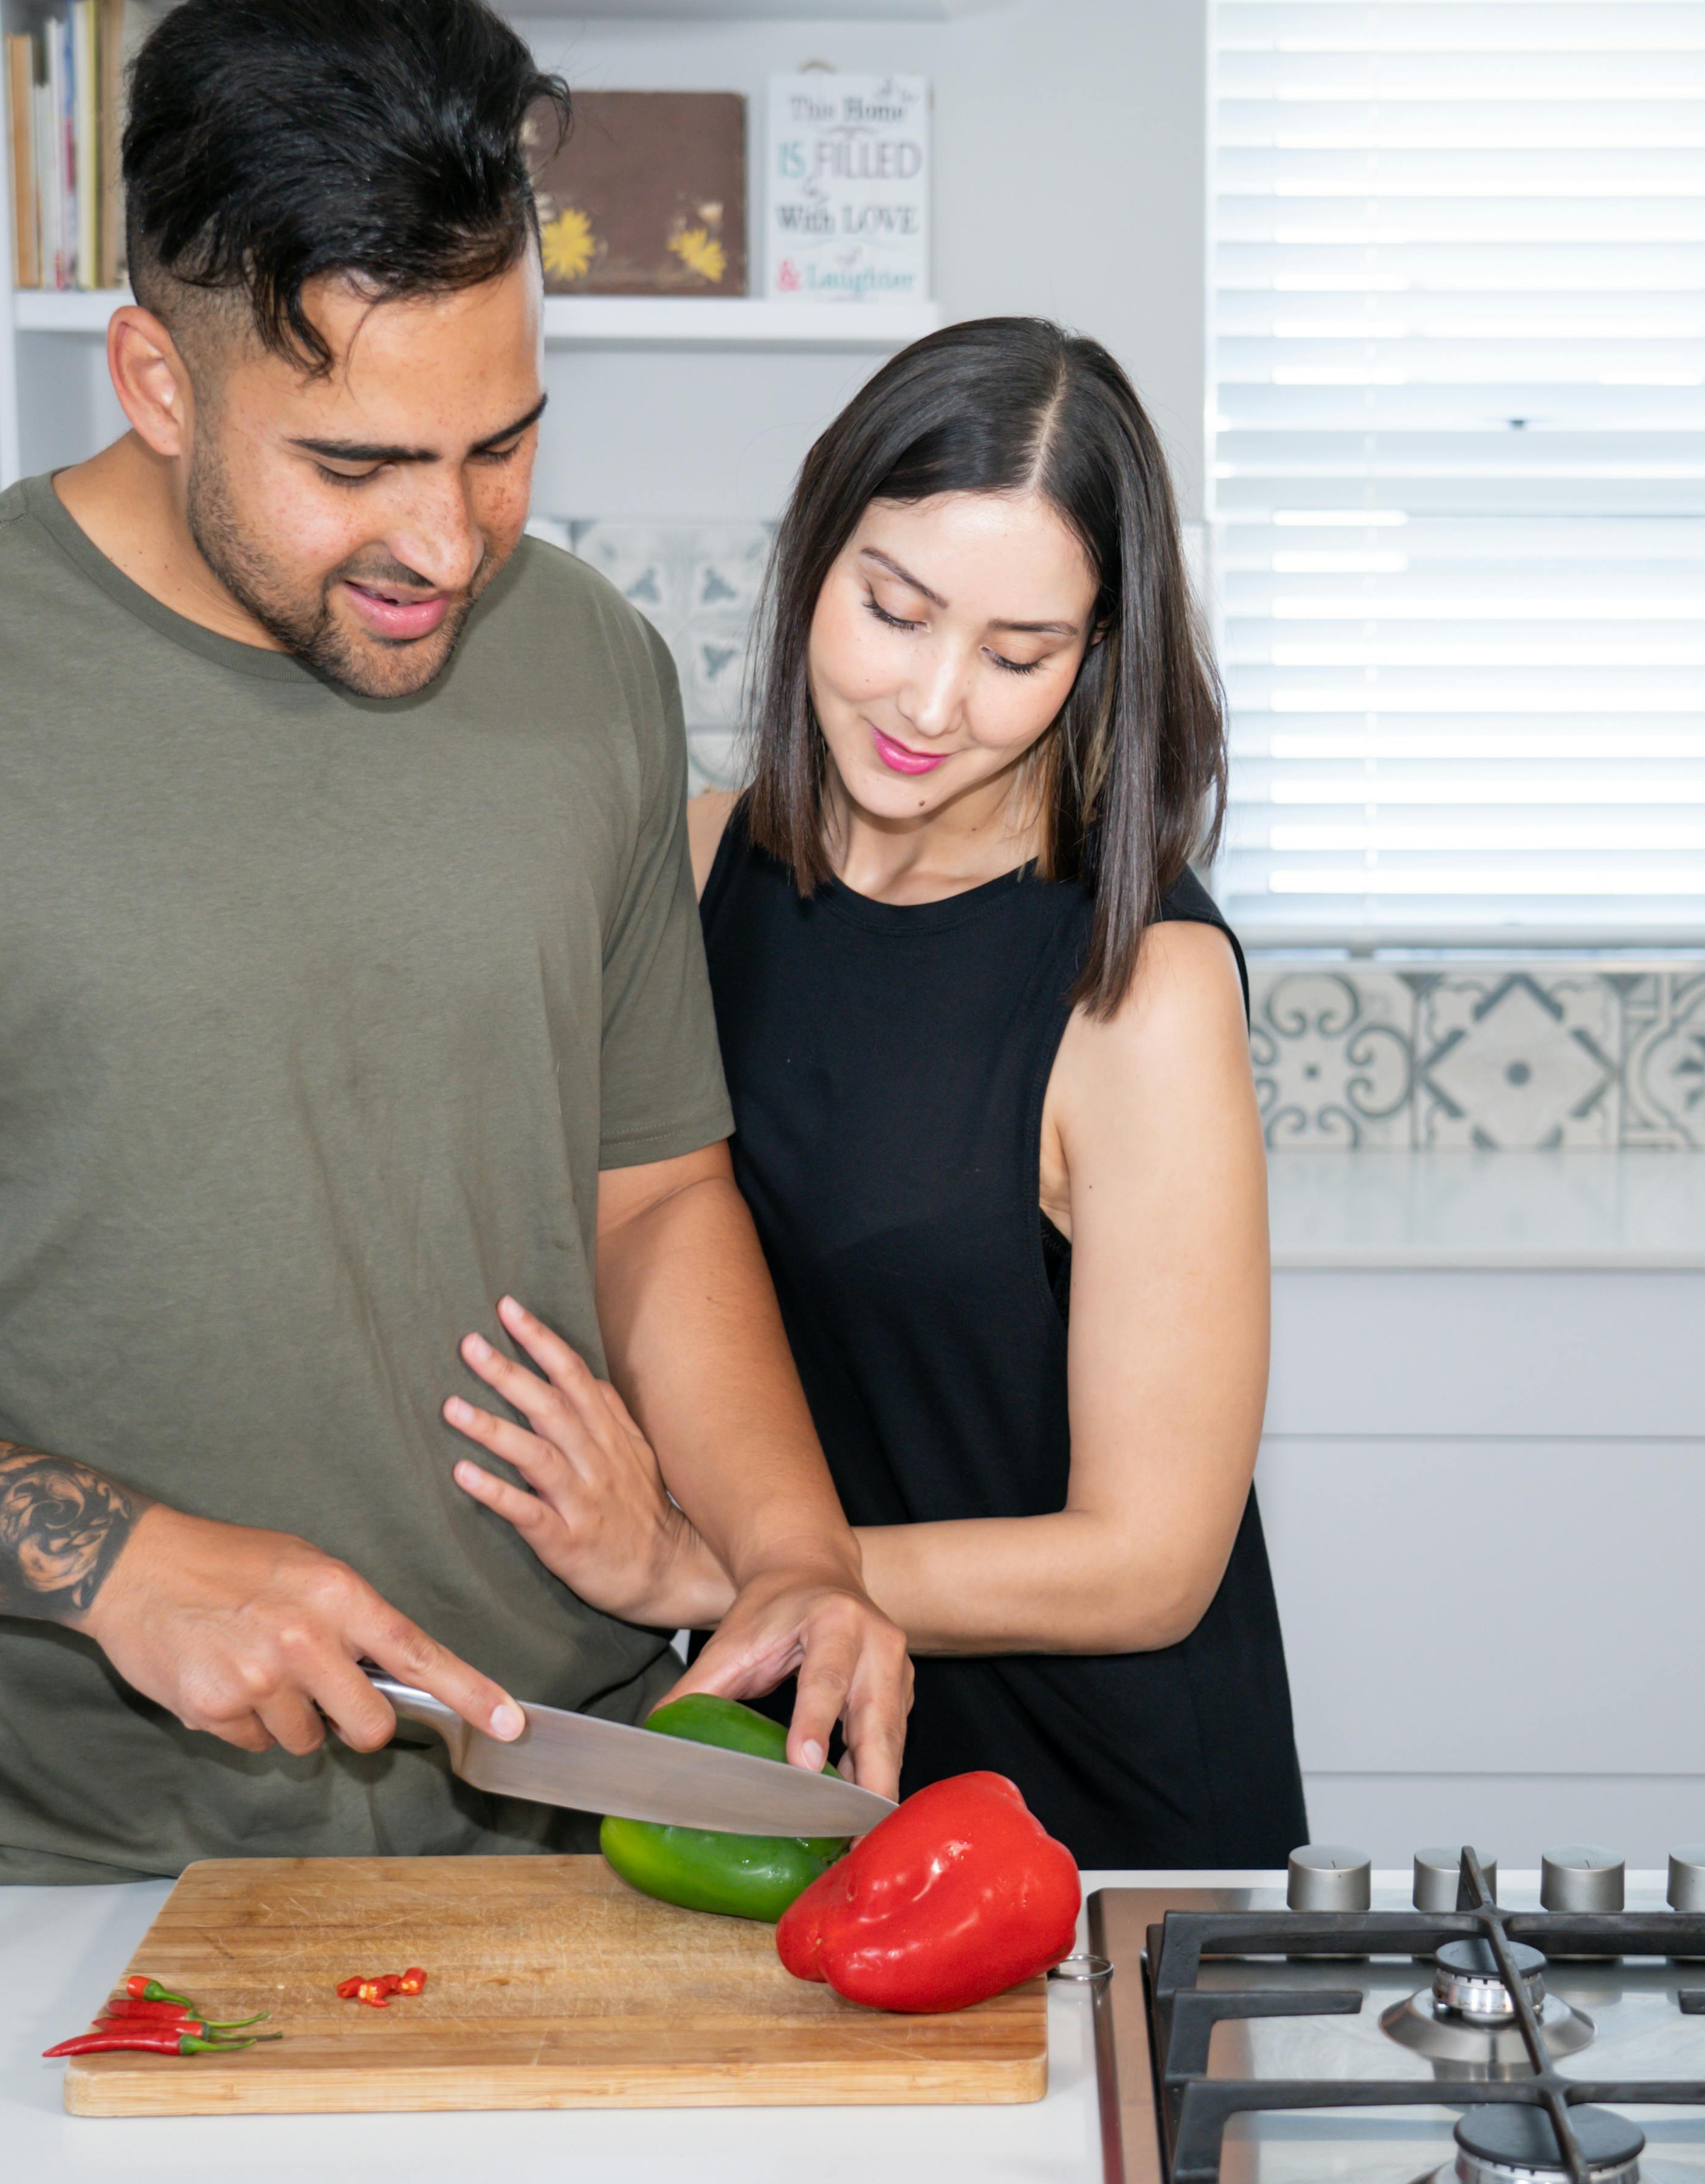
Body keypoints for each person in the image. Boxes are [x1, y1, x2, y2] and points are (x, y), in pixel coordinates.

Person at [0, 0, 906, 1884]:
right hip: (65, 1875)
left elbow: (649, 1193)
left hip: (583, 1825)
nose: (446, 540)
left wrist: (795, 1557)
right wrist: (114, 1560)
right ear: (153, 374)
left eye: (504, 442)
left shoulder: (590, 667)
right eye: (356, 463)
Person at [443, 319, 1307, 1869]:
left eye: (1018, 654)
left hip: (1088, 1806)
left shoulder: (1143, 987)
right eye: (893, 611)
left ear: (1099, 653)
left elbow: (1150, 1564)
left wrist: (714, 1572)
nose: (931, 700)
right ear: (813, 555)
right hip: (793, 1768)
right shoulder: (703, 867)